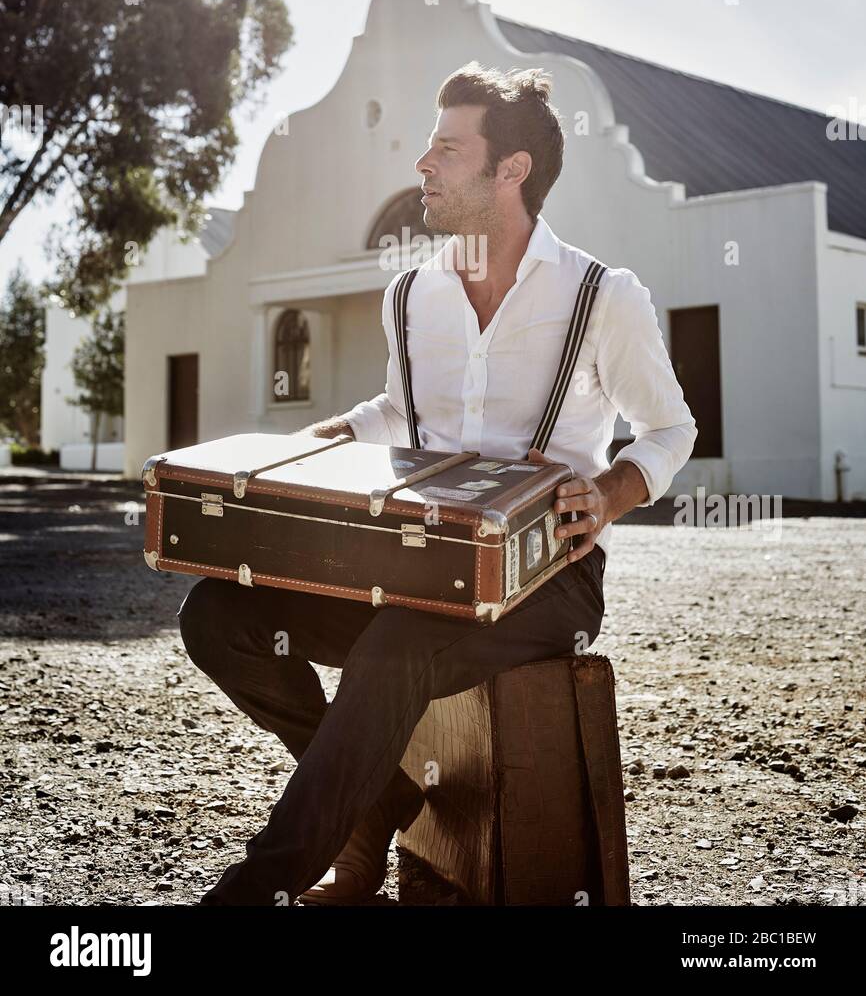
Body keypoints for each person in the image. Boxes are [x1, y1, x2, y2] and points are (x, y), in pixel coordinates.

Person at [180, 63, 697, 906]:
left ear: (511, 171)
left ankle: (260, 883)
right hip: (419, 568)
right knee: (215, 614)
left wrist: (607, 494)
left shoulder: (604, 297)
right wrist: (333, 435)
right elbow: (400, 407)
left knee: (395, 645)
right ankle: (380, 793)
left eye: (446, 149)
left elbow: (671, 427)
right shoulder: (409, 294)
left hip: (550, 579)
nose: (423, 164)